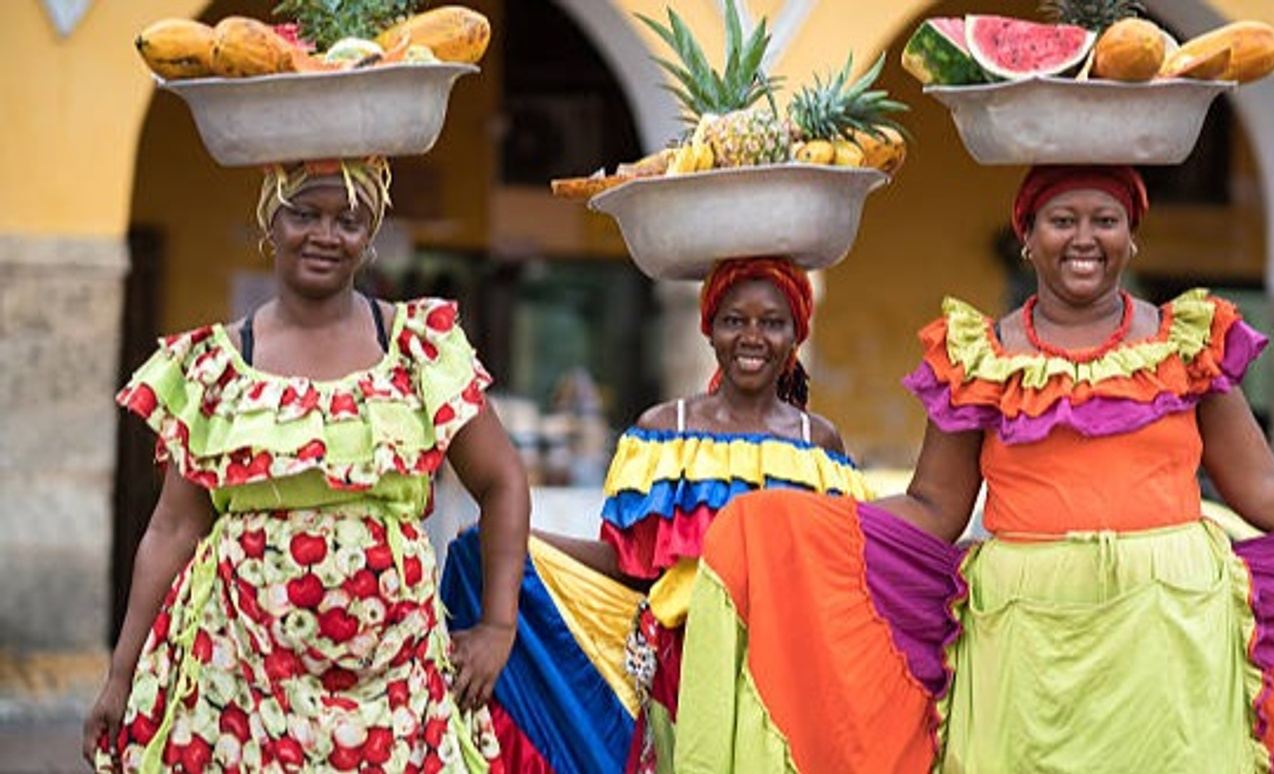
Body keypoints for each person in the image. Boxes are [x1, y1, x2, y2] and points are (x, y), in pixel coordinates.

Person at [675, 165, 1274, 772]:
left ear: (1132, 238)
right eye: (1062, 220)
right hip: (1023, 660)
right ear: (1028, 238)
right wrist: (796, 525)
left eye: (1105, 220)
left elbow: (1263, 488)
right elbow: (936, 509)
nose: (1085, 238)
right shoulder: (979, 356)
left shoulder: (1187, 345)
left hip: (1170, 649)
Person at [84, 157, 531, 771]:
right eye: (305, 215)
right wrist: (120, 675)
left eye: (348, 220)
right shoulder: (220, 367)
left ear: (370, 232)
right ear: (272, 218)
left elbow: (502, 480)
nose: (326, 235)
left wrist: (498, 627)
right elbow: (173, 529)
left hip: (390, 678)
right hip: (238, 671)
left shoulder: (415, 351)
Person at [440, 256, 871, 773]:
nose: (752, 337)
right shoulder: (664, 431)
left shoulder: (816, 442)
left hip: (783, 668)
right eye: (735, 320)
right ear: (708, 328)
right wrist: (520, 542)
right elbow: (627, 564)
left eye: (772, 322)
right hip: (683, 668)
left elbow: (838, 572)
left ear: (796, 331)